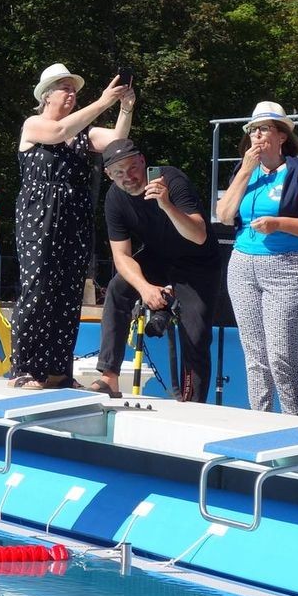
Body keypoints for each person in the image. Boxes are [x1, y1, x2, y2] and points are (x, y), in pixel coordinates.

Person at [10, 64, 133, 389]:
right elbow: (57, 133)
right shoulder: (35, 124)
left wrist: (125, 107)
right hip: (40, 213)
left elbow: (118, 140)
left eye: (73, 89)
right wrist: (105, 101)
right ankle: (26, 368)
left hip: (74, 215)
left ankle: (57, 370)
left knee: (68, 291)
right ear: (47, 95)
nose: (72, 93)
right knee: (38, 287)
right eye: (65, 87)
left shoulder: (83, 132)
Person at [93, 138, 222, 401]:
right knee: (118, 289)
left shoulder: (171, 180)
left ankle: (192, 401)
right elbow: (121, 256)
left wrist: (166, 205)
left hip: (197, 262)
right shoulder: (115, 199)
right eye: (118, 173)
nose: (128, 177)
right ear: (108, 175)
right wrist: (145, 288)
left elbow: (198, 234)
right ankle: (109, 377)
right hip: (158, 258)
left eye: (132, 168)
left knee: (195, 334)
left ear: (142, 161)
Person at [215, 102, 298, 415]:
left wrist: (279, 224)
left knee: (282, 357)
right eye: (252, 130)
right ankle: (258, 420)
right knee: (255, 356)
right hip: (243, 265)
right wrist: (246, 170)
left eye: (263, 129)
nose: (256, 135)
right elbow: (224, 215)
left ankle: (294, 422)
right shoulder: (244, 172)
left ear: (281, 135)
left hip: (288, 267)